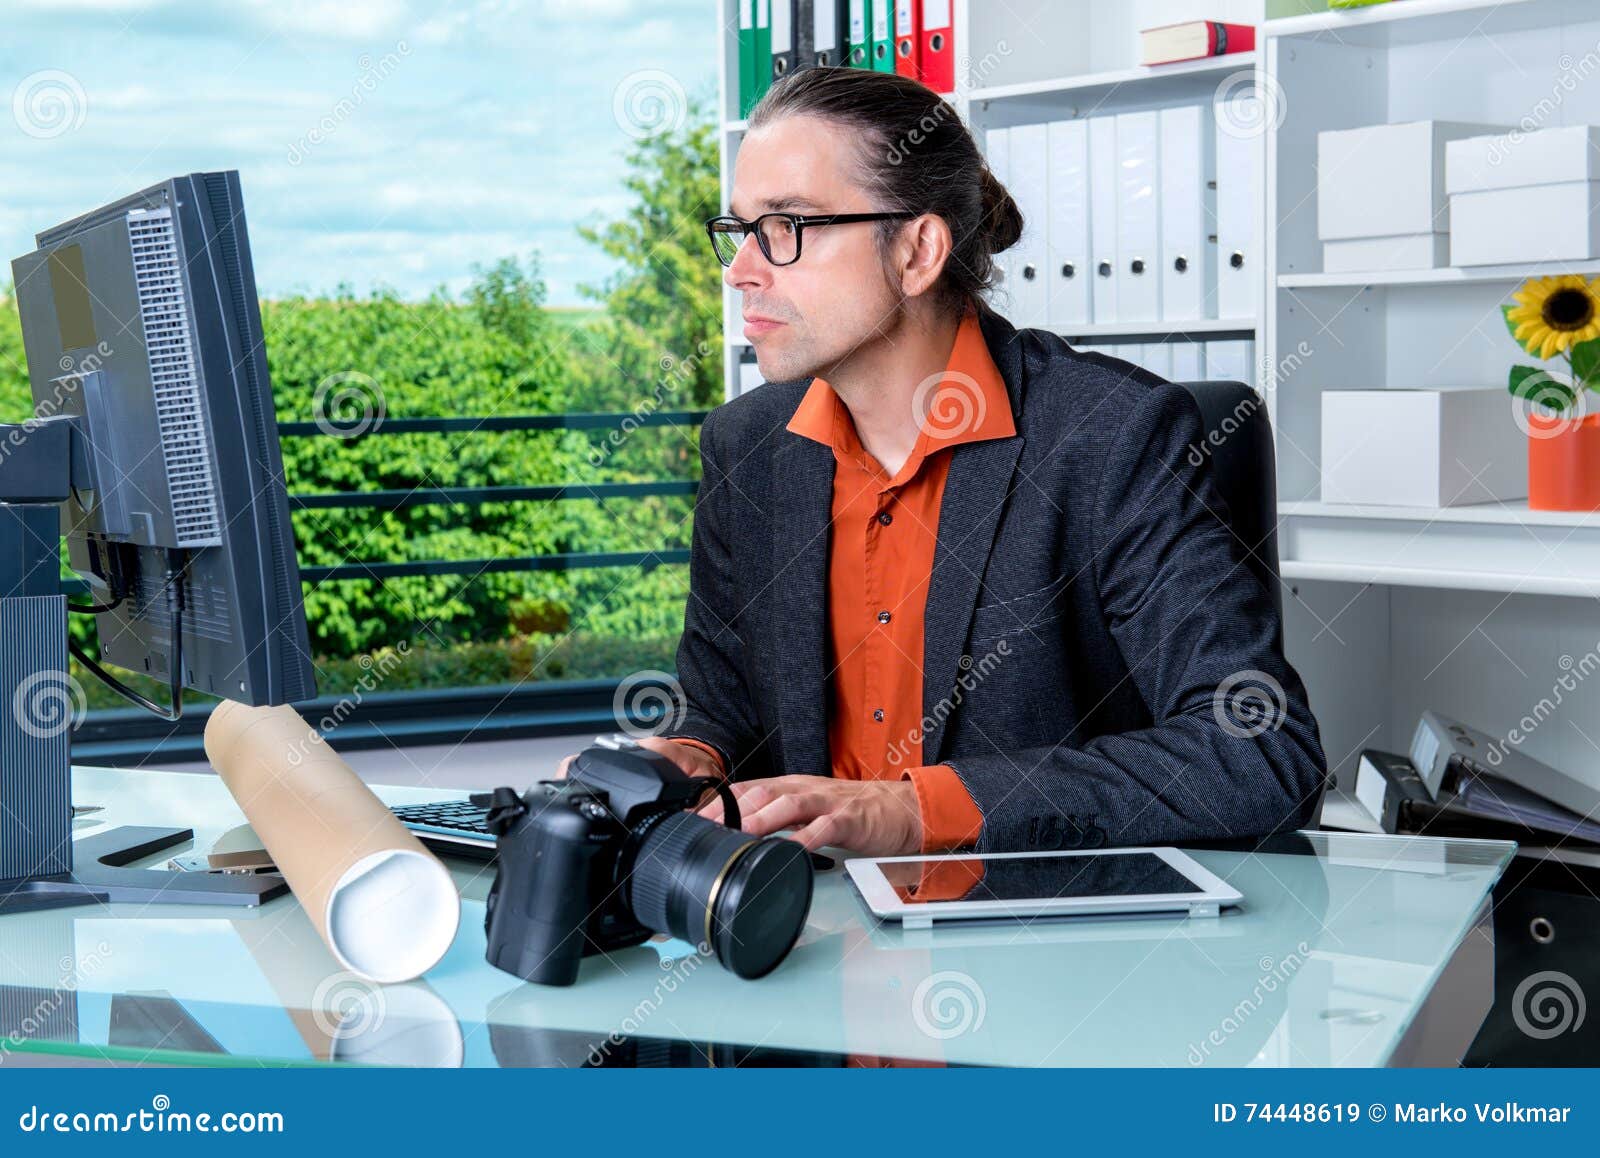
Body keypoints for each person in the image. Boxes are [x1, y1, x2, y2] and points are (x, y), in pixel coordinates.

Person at [561, 65, 1327, 858]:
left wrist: (910, 811)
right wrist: (692, 756)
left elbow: (1261, 754)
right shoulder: (748, 448)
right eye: (739, 229)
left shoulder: (1113, 437)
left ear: (919, 250)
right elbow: (724, 705)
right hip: (807, 934)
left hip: (1047, 947)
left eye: (786, 226)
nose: (740, 271)